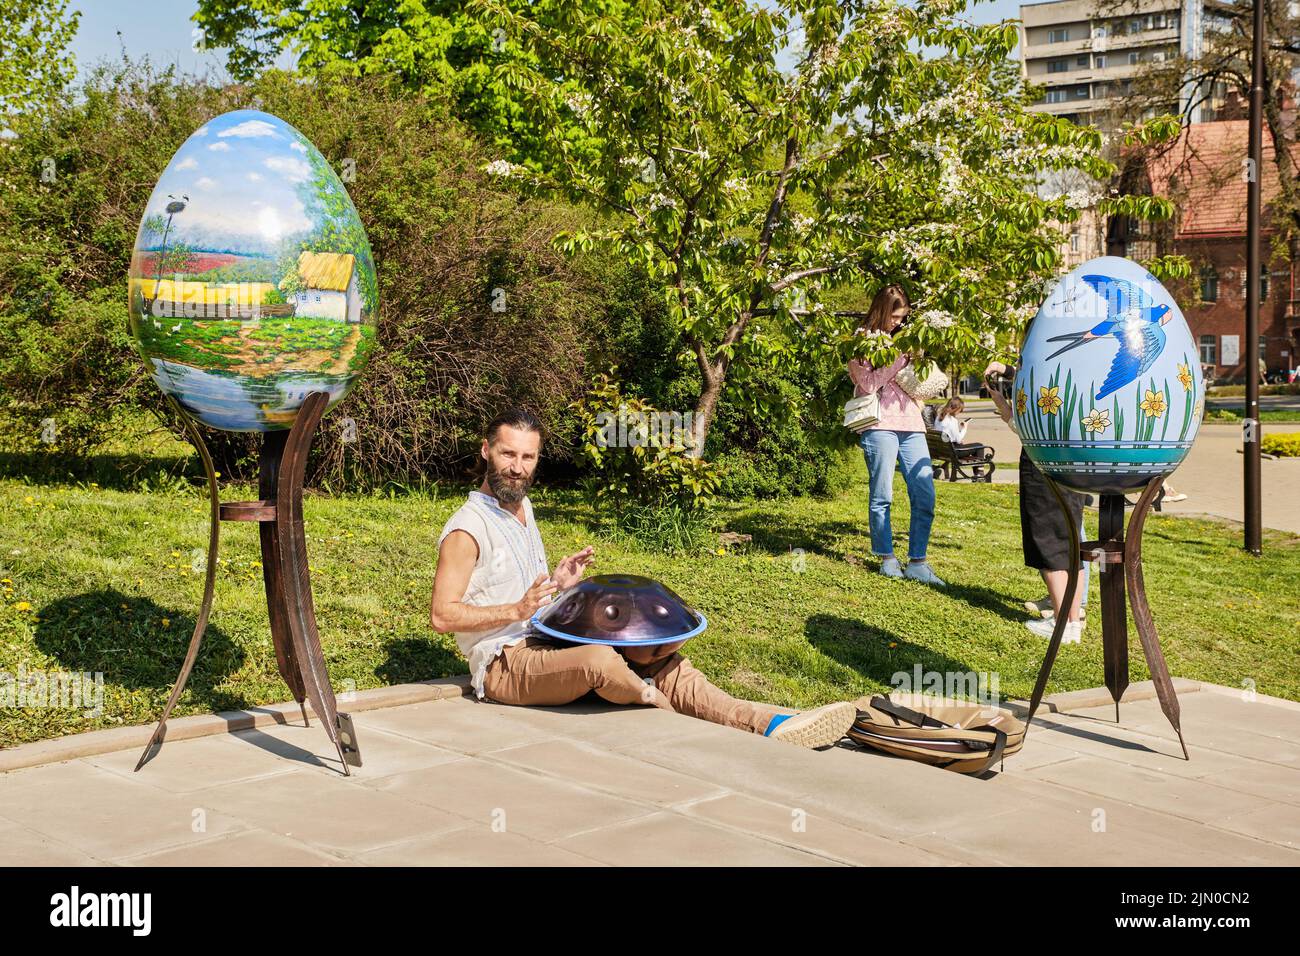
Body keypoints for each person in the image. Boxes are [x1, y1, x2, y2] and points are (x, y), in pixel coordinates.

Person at [428, 407, 859, 749]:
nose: (518, 468)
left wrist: (559, 583)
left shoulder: (523, 508)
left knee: (655, 654)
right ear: (486, 451)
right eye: (508, 454)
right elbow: (443, 616)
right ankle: (655, 702)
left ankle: (767, 722)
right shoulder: (467, 528)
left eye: (528, 457)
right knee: (600, 660)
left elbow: (524, 592)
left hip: (549, 643)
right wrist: (516, 610)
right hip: (505, 664)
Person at [847, 285, 945, 586]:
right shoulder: (861, 341)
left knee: (925, 493)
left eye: (903, 318)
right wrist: (896, 360)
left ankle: (918, 561)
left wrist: (912, 357)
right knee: (882, 494)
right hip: (879, 424)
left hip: (912, 424)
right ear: (882, 311)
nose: (898, 323)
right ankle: (887, 557)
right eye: (894, 317)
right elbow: (866, 385)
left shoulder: (909, 340)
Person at [983, 362, 1088, 642]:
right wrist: (1000, 394)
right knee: (1069, 544)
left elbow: (1022, 426)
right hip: (1074, 463)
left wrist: (1004, 385)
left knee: (1048, 543)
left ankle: (1063, 623)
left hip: (1041, 464)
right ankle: (1072, 621)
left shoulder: (1038, 377)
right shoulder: (1073, 374)